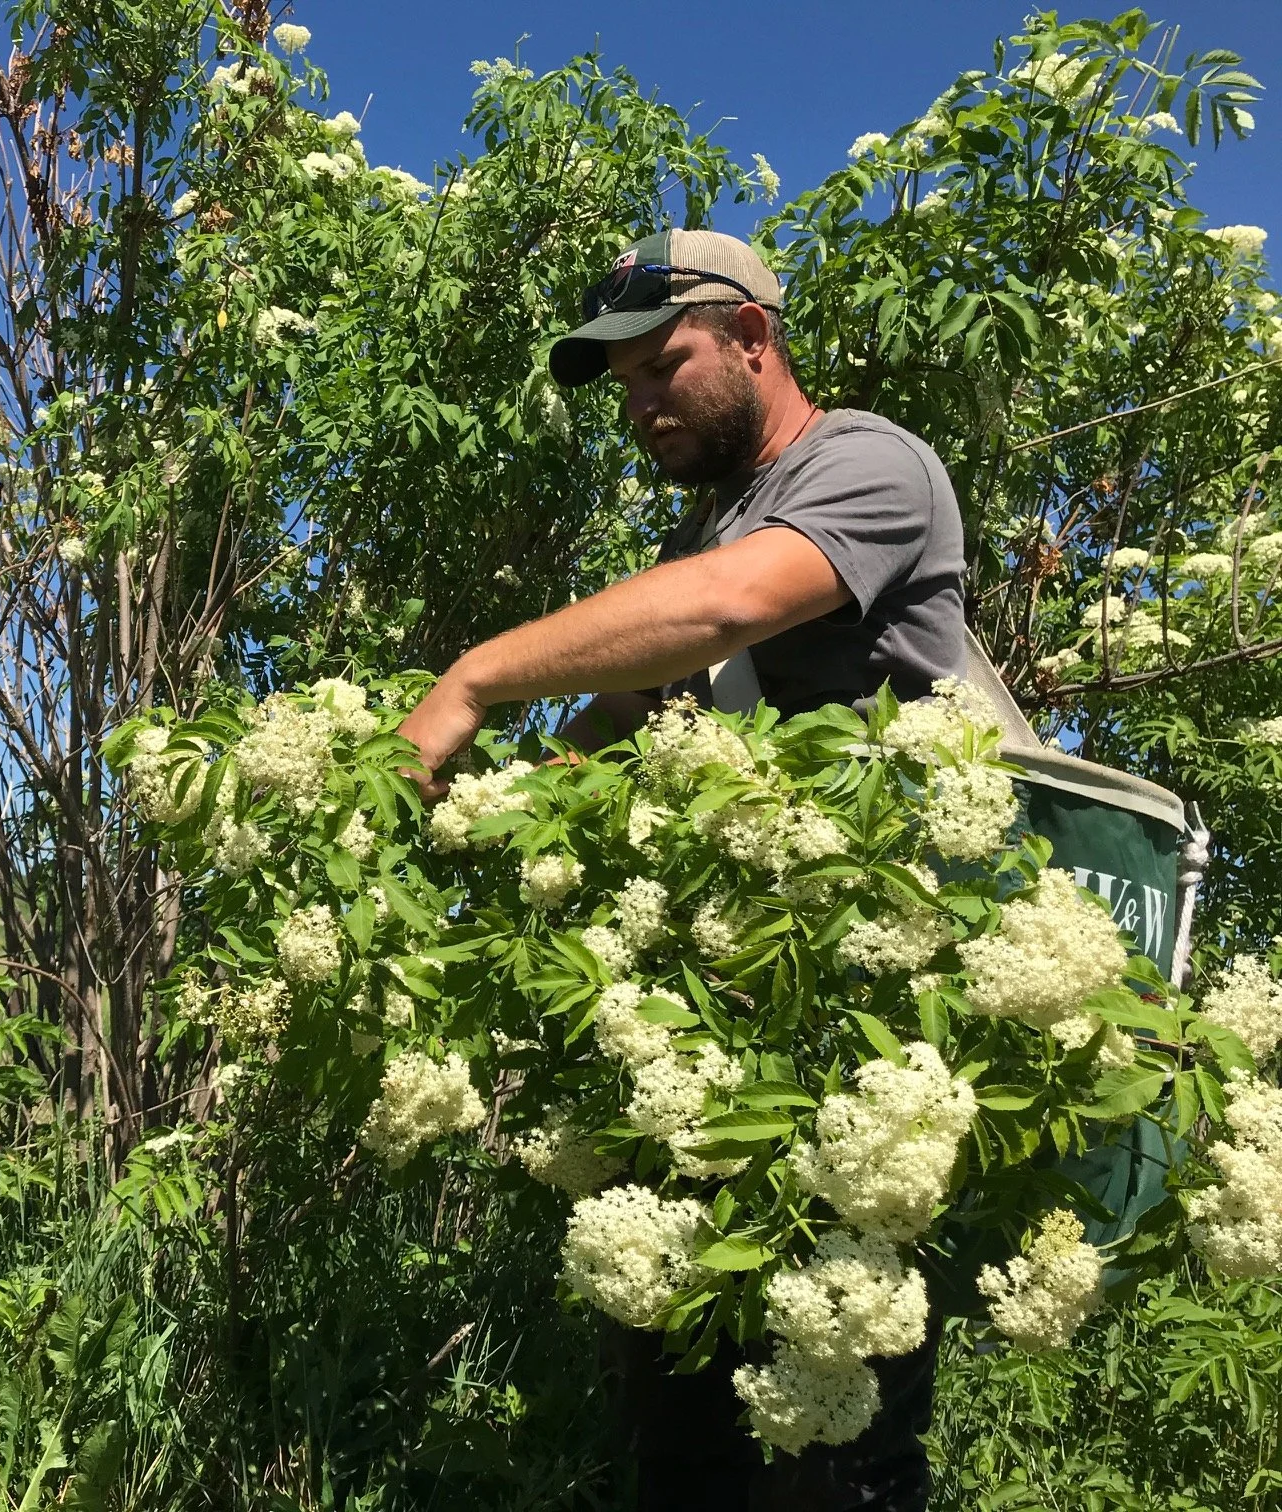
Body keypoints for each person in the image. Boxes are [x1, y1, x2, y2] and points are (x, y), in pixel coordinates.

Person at [395, 230, 966, 1512]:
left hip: (857, 1038)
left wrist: (473, 678)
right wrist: (479, 821)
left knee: (837, 1456)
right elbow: (602, 737)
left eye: (667, 366)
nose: (643, 405)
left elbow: (717, 613)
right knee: (679, 1416)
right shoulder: (714, 524)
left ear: (754, 340)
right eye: (627, 387)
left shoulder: (865, 465)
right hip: (712, 1043)